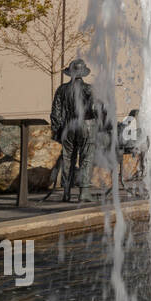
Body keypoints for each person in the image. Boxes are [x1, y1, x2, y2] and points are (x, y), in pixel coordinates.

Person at [51, 58, 95, 202]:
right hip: (86, 126)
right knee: (86, 157)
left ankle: (67, 192)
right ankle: (84, 192)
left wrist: (57, 130)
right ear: (83, 73)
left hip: (68, 126)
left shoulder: (62, 89)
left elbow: (55, 113)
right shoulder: (89, 89)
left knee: (67, 158)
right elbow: (97, 109)